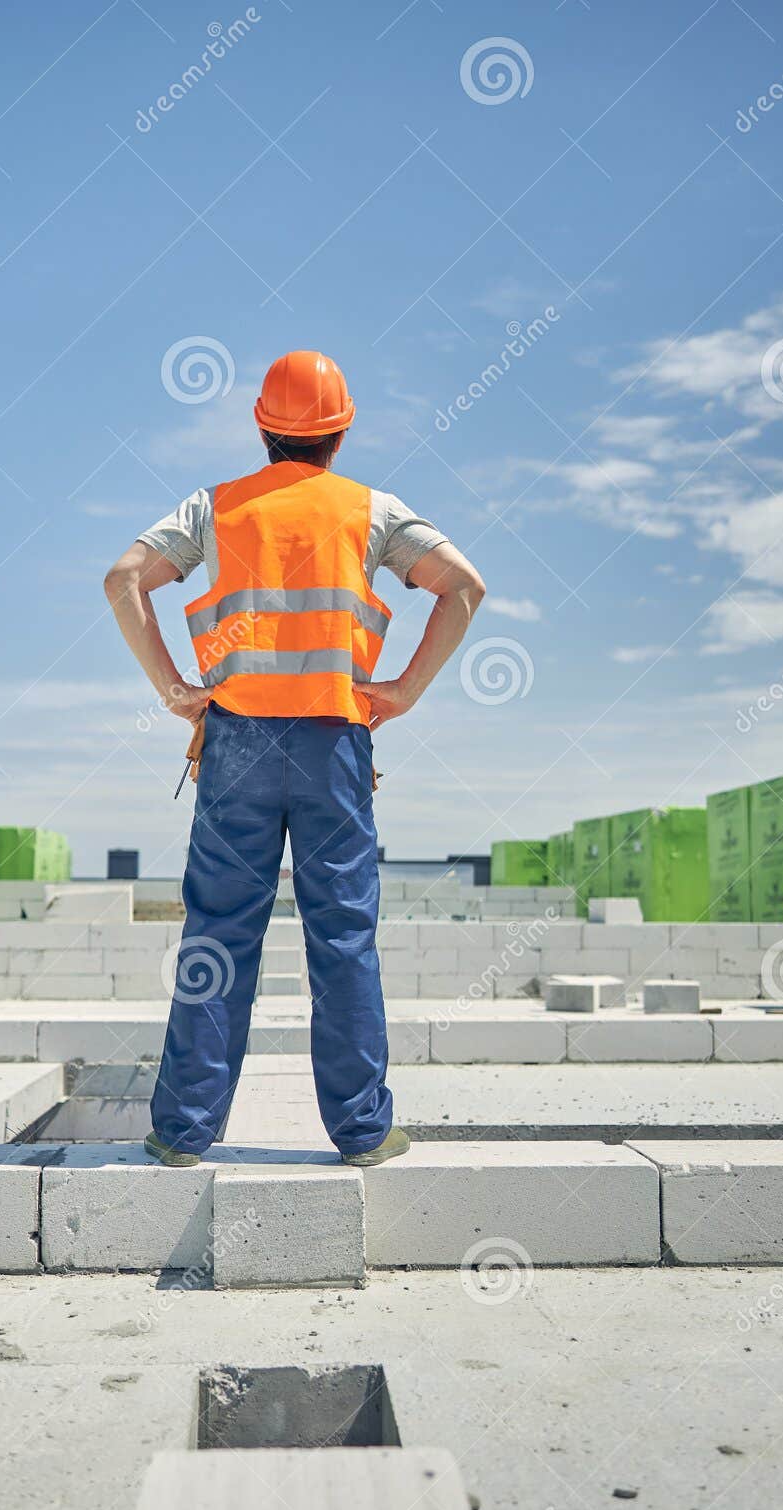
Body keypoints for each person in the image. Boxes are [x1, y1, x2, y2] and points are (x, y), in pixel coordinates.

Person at [104, 350, 485, 1168]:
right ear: (340, 432)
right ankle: (362, 1133)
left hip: (237, 737)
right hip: (334, 742)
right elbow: (463, 586)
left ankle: (181, 1133)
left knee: (217, 936)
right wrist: (405, 691)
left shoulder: (215, 508)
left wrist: (174, 688)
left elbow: (124, 578)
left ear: (262, 427)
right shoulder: (372, 509)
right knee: (342, 936)